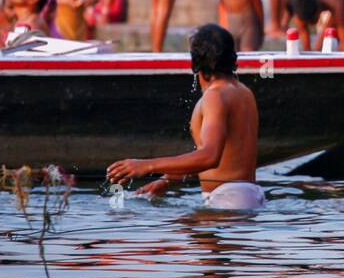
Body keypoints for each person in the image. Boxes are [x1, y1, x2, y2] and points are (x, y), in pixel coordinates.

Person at [107, 24, 264, 210]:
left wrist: (147, 165)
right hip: (248, 196)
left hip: (229, 200)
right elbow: (228, 159)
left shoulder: (216, 96)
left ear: (196, 61)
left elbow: (210, 156)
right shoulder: (243, 91)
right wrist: (166, 181)